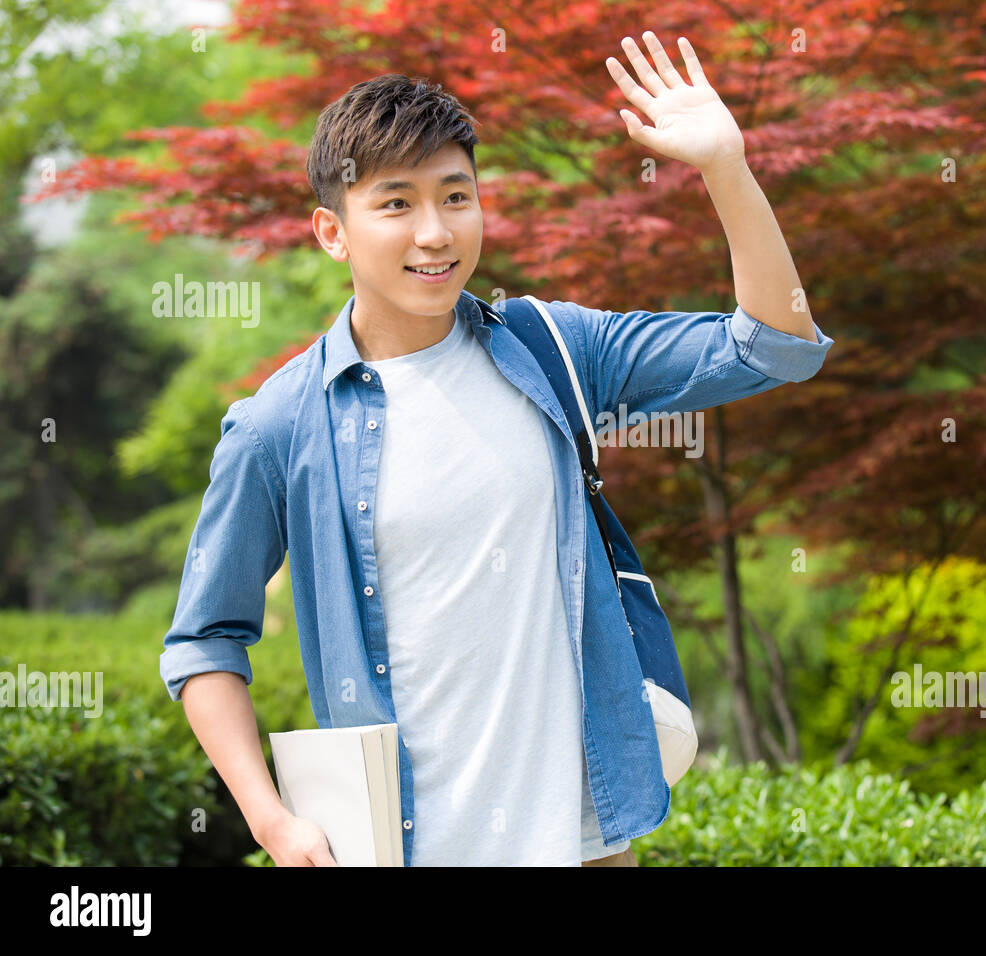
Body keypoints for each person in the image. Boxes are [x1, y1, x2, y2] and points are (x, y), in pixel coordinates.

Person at [160, 31, 834, 867]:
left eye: (457, 196)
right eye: (397, 203)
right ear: (333, 232)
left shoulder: (552, 348)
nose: (436, 233)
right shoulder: (280, 427)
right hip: (402, 848)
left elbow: (774, 345)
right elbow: (202, 643)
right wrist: (271, 820)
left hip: (585, 841)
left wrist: (724, 166)